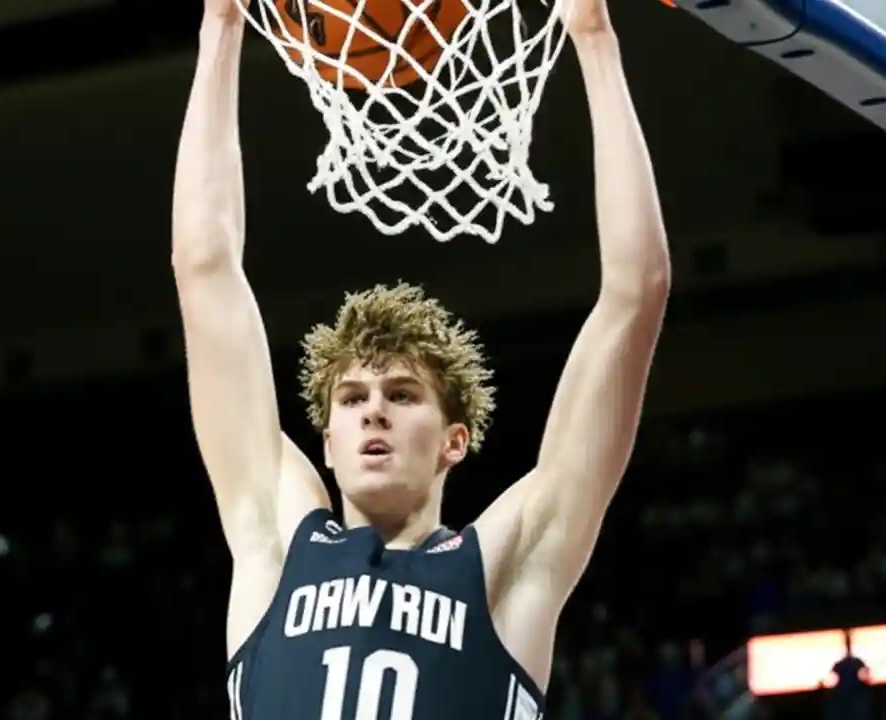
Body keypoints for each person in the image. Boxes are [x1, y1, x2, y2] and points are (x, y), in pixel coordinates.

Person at [170, 0, 670, 715]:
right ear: (327, 445)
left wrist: (593, 39)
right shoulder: (274, 542)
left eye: (403, 395)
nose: (374, 408)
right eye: (352, 400)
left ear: (453, 441)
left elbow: (636, 294)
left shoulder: (501, 565)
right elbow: (204, 267)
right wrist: (220, 27)